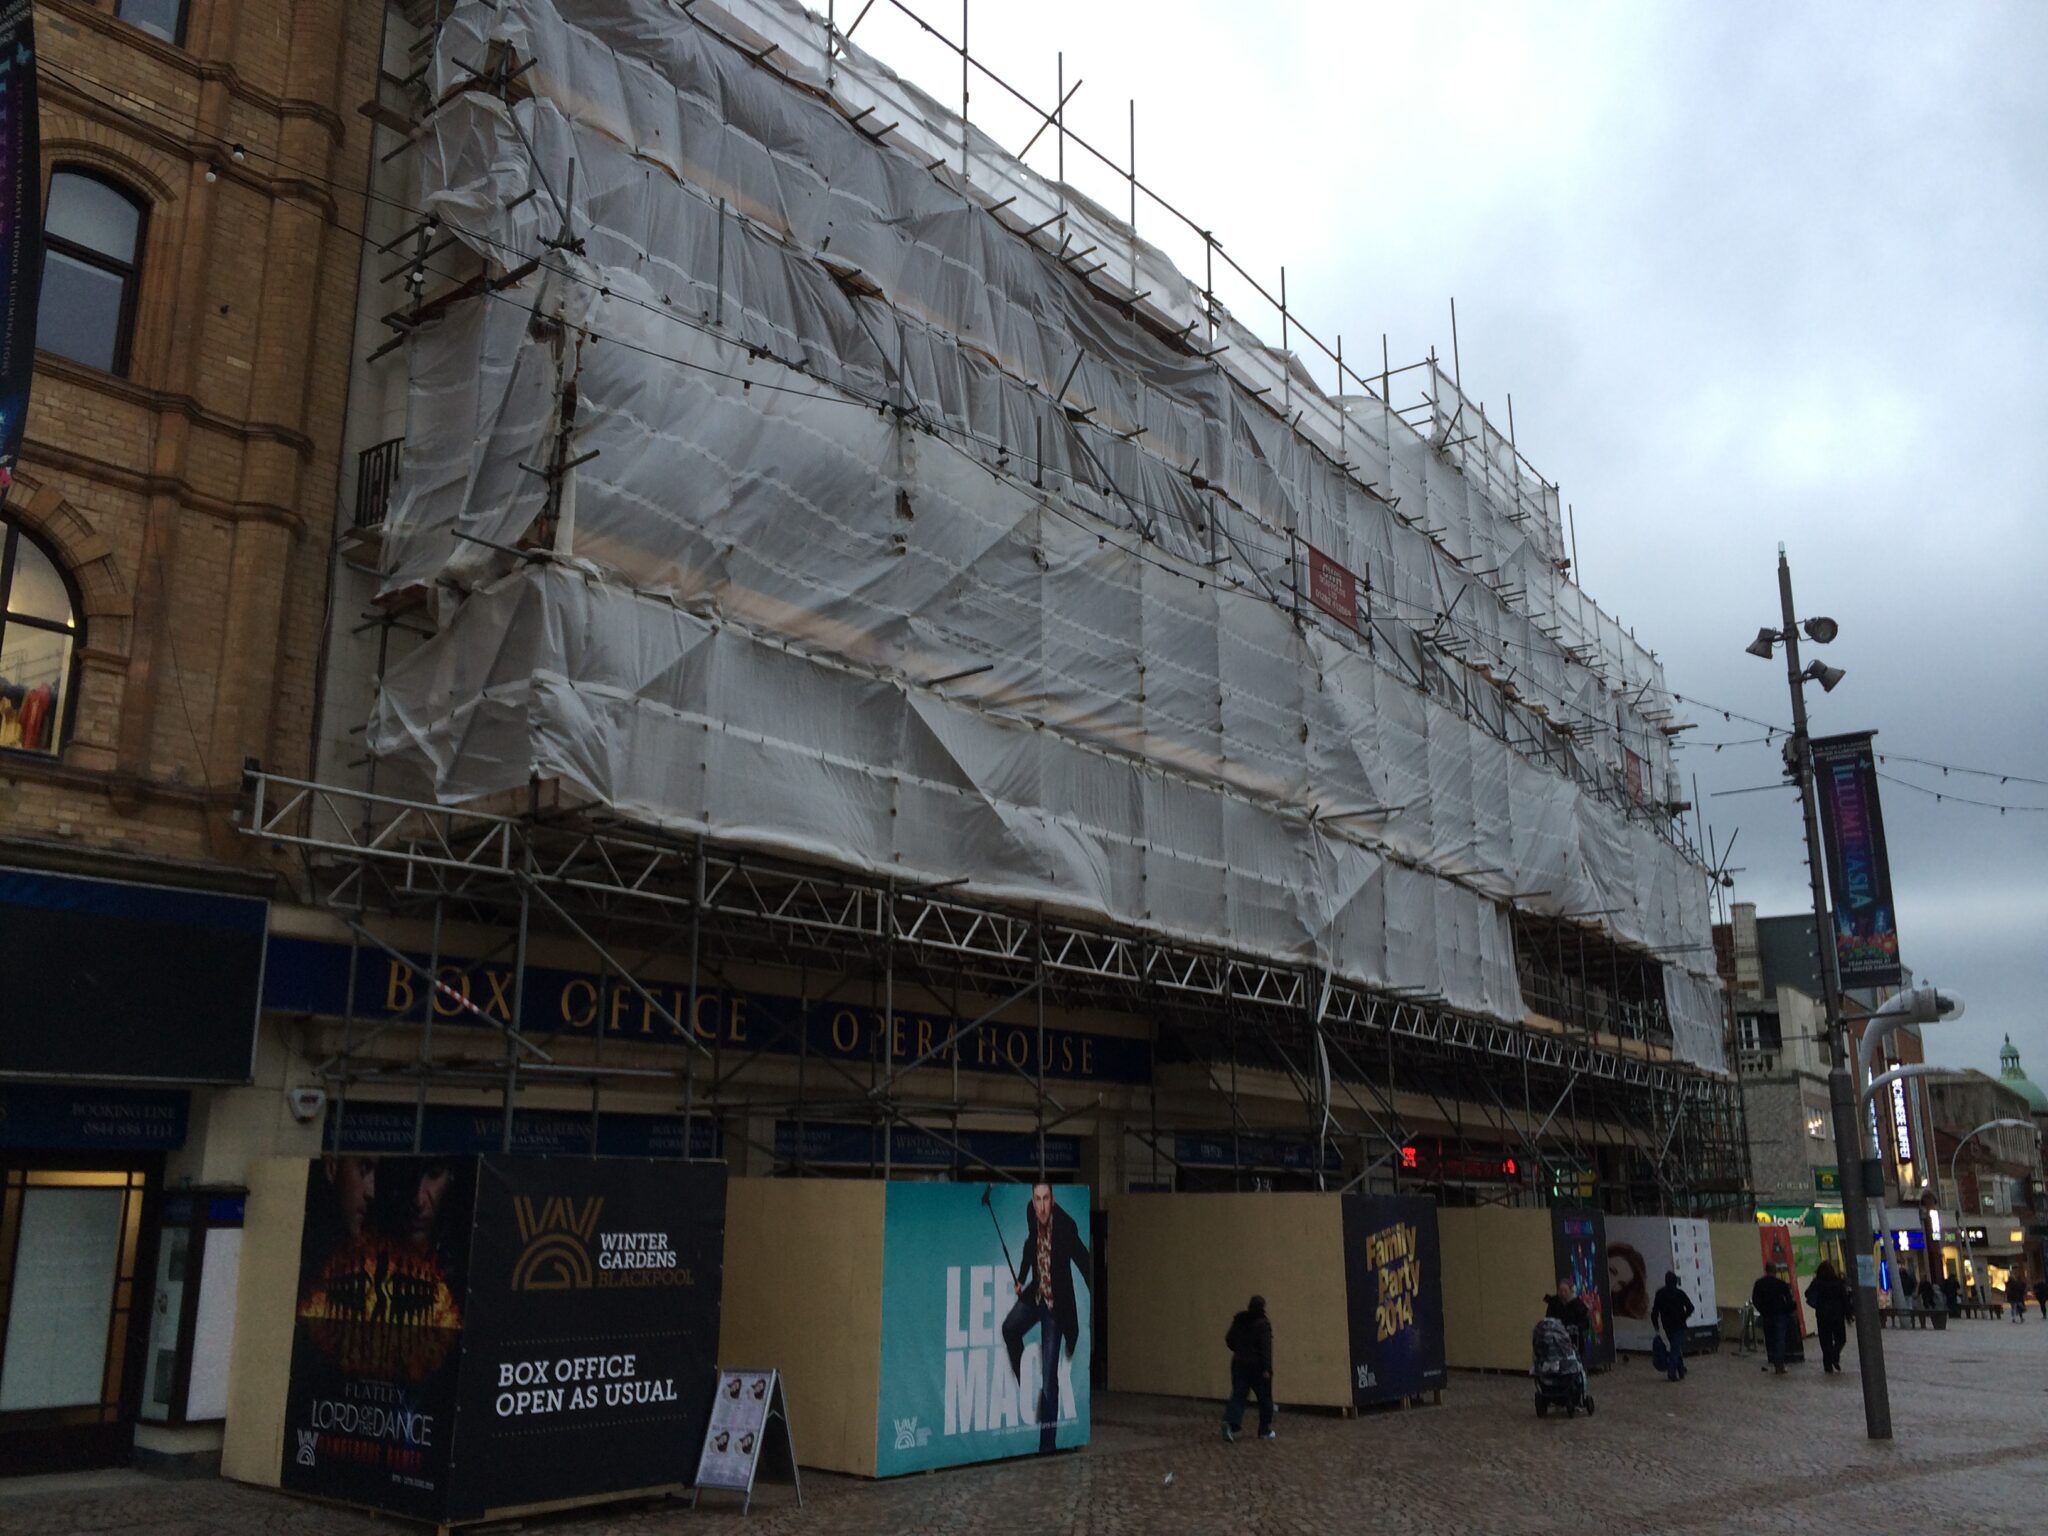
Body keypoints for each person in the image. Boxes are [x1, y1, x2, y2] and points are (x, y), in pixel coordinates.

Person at [1001, 1182, 1092, 1453]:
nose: (1040, 1206)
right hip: (1036, 1294)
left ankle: (1047, 1444)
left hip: (1056, 1305)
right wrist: (1020, 1279)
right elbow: (1031, 1246)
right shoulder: (1032, 1214)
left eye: (1045, 1199)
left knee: (1049, 1377)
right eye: (1037, 1199)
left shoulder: (1066, 1228)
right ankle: (1025, 1386)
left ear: (1052, 1201)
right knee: (1009, 1329)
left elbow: (1084, 1261)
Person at [1221, 1294, 1275, 1442]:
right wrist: (1267, 1368)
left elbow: (1229, 1340)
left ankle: (1230, 1423)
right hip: (1257, 1366)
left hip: (1238, 1363)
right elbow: (1266, 1349)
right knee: (1265, 1399)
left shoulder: (1240, 1320)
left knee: (1238, 1395)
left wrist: (1239, 1349)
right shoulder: (1263, 1324)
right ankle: (1264, 1430)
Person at [1804, 1261, 1851, 1373]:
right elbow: (1844, 1299)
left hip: (1822, 1315)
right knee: (1841, 1338)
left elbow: (1807, 1293)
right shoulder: (1838, 1283)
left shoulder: (1817, 1283)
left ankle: (1827, 1365)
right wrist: (1848, 1313)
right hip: (1837, 1315)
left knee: (1825, 1341)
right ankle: (1835, 1355)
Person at [1752, 1262, 1796, 1375]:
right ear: (1775, 1270)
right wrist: (1789, 1311)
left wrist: (1762, 1309)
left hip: (1767, 1315)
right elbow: (1789, 1301)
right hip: (1780, 1314)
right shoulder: (1781, 1284)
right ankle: (1779, 1364)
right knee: (1780, 1339)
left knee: (1770, 1337)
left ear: (1766, 1270)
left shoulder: (1760, 1283)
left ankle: (1773, 1357)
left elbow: (1755, 1299)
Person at [1650, 1270, 1694, 1382]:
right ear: (1675, 1282)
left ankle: (1680, 1370)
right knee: (1675, 1348)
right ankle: (1672, 1372)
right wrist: (1684, 1317)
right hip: (1679, 1325)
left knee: (1675, 1347)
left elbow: (1655, 1311)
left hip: (1667, 1325)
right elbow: (1691, 1307)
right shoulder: (1680, 1294)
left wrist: (1656, 1325)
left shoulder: (1660, 1293)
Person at [1544, 1277, 1591, 1357]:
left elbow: (1585, 1323)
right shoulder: (1554, 1302)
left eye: (1565, 1291)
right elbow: (1548, 1318)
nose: (1562, 1293)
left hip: (1574, 1340)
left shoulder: (1577, 1304)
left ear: (1570, 1291)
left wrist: (1576, 1327)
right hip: (1557, 1339)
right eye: (1560, 1291)